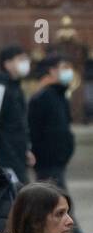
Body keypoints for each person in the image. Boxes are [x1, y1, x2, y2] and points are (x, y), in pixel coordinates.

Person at [28, 55, 77, 195]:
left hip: (59, 161)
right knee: (54, 201)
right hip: (47, 162)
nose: (68, 72)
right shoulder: (42, 98)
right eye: (64, 68)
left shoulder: (60, 95)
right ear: (52, 71)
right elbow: (34, 130)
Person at [0, 45, 34, 184]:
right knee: (14, 195)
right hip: (4, 155)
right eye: (20, 59)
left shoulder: (16, 87)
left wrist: (27, 148)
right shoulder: (0, 87)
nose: (26, 63)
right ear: (7, 64)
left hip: (18, 153)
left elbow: (21, 122)